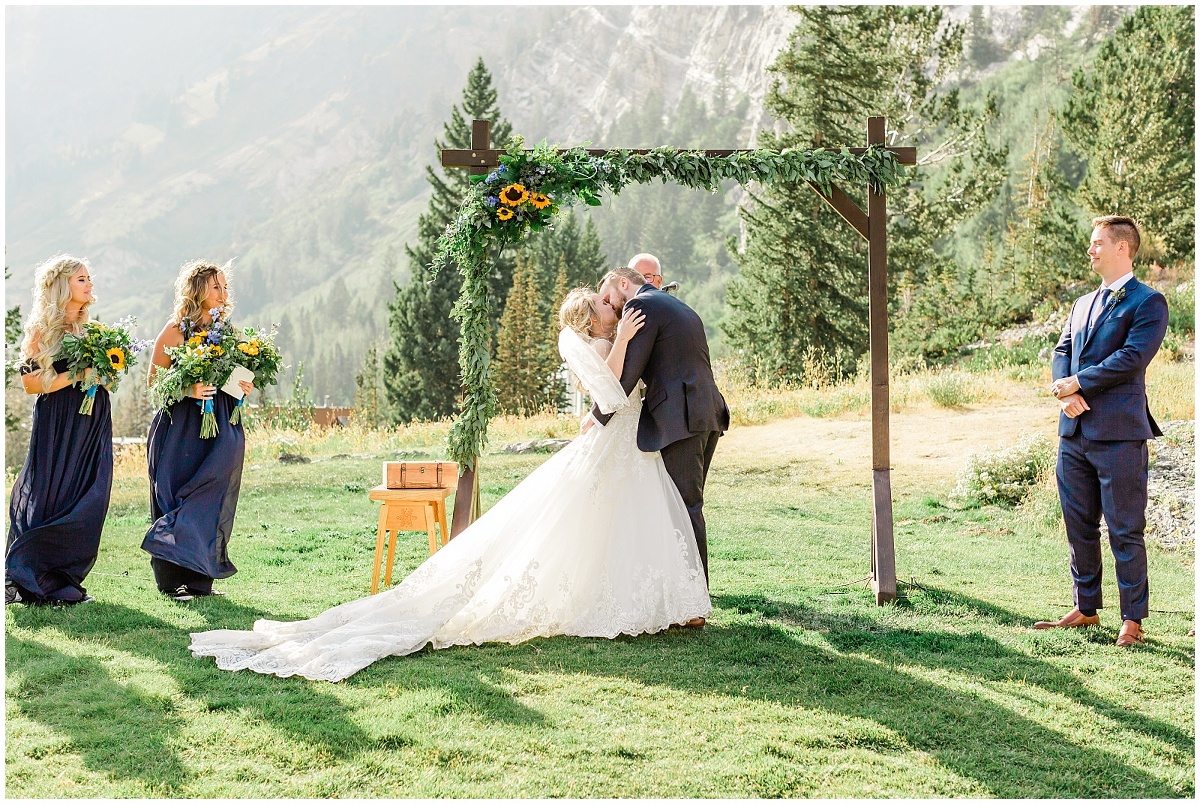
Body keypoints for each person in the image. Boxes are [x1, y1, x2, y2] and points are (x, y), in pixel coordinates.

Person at [189, 287, 710, 682]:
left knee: (618, 520)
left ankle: (642, 597)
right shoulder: (604, 340)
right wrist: (620, 341)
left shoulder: (609, 334)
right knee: (600, 517)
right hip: (617, 437)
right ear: (588, 318)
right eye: (602, 303)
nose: (611, 306)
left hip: (624, 443)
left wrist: (621, 345)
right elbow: (613, 391)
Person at [1035, 216, 1168, 648]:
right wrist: (1064, 391)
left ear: (1122, 248)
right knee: (1078, 525)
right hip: (1073, 432)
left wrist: (1081, 382)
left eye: (1097, 244)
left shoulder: (1149, 302)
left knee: (1125, 529)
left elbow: (1132, 357)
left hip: (1119, 434)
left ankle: (1133, 620)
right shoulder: (1081, 304)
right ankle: (1086, 608)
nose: (1090, 251)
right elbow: (1062, 350)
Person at [590, 263, 729, 605]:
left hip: (680, 419)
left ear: (624, 283)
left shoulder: (641, 306)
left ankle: (695, 605)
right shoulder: (676, 305)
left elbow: (623, 382)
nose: (612, 306)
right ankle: (685, 597)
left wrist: (594, 420)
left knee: (684, 508)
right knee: (687, 506)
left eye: (609, 297)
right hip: (705, 412)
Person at [143, 261, 253, 602]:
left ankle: (200, 579)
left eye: (224, 287)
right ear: (197, 290)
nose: (223, 293)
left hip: (219, 425)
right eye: (216, 286)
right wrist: (189, 390)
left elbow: (230, 381)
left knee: (211, 496)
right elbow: (153, 382)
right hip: (179, 427)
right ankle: (172, 580)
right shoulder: (176, 330)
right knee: (176, 496)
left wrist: (242, 384)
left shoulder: (228, 332)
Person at [6, 255, 111, 606]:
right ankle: (30, 575)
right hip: (58, 420)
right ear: (63, 285)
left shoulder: (90, 330)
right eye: (82, 278)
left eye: (89, 277)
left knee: (86, 492)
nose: (90, 283)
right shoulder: (41, 329)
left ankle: (64, 576)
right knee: (50, 491)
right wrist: (78, 376)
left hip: (92, 419)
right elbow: (30, 383)